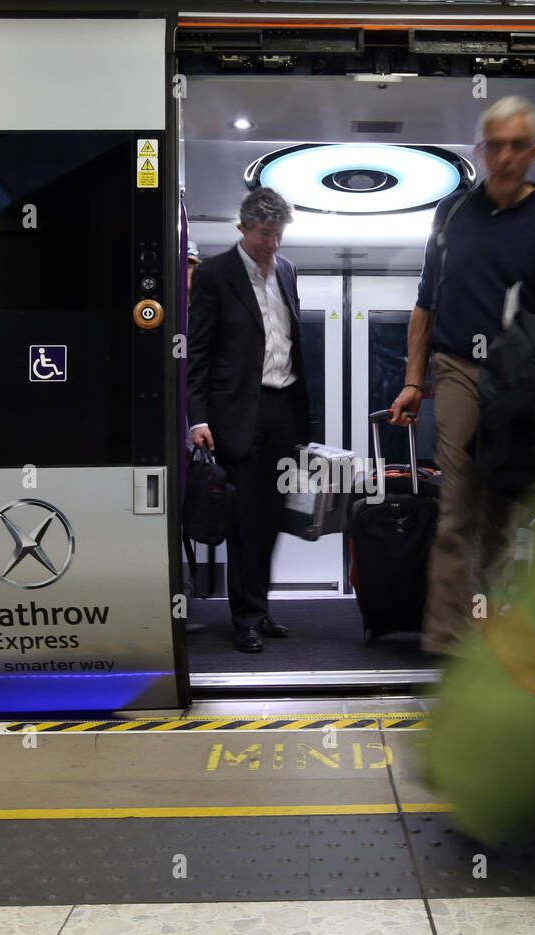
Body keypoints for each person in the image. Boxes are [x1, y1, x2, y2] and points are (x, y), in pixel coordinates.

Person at [388, 96, 535, 656]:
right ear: (480, 150)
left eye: (517, 146)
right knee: (459, 504)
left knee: (502, 512)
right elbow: (425, 306)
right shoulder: (451, 214)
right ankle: (447, 642)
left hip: (517, 384)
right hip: (456, 372)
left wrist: (521, 363)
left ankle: (492, 636)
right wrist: (412, 382)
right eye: (494, 145)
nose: (504, 157)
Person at [186, 188, 310, 653]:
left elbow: (292, 342)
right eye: (264, 235)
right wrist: (196, 417)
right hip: (238, 413)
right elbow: (197, 354)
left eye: (278, 235)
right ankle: (245, 618)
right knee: (244, 518)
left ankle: (260, 607)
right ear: (242, 228)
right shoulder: (216, 275)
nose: (272, 244)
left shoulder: (289, 273)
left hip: (283, 410)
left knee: (274, 515)